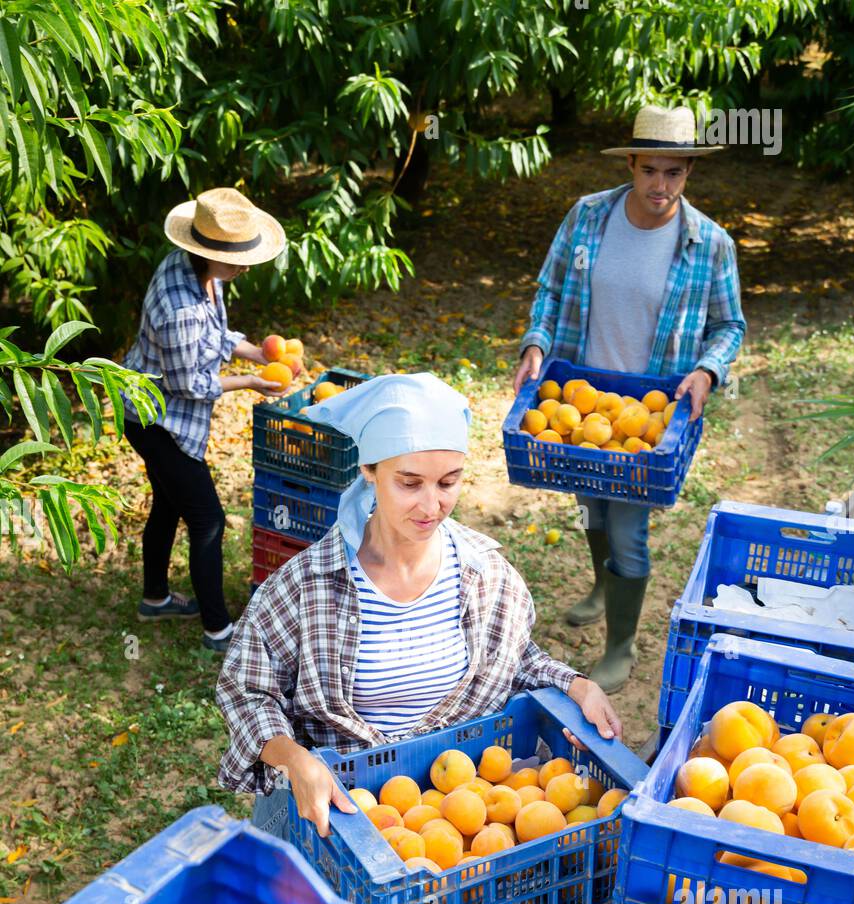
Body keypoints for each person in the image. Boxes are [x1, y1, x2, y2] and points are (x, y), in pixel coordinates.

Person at [215, 372, 621, 840]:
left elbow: (515, 658)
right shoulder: (307, 587)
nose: (432, 505)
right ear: (369, 472)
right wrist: (294, 758)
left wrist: (577, 685)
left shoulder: (484, 575)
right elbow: (247, 691)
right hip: (341, 814)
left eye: (448, 482)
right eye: (410, 483)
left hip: (451, 812)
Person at [513, 105, 746, 693]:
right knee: (592, 502)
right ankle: (601, 585)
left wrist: (707, 370)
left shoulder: (709, 244)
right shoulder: (588, 218)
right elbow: (551, 290)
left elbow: (729, 326)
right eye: (650, 171)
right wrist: (536, 345)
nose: (660, 186)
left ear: (689, 171)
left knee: (628, 529)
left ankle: (621, 644)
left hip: (651, 415)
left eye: (675, 173)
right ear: (632, 165)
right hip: (582, 401)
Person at [122, 187, 290, 653]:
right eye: (237, 258)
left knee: (169, 504)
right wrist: (252, 382)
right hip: (157, 420)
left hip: (163, 412)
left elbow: (214, 335)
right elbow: (188, 384)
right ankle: (219, 631)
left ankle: (154, 598)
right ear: (208, 252)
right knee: (208, 520)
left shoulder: (198, 275)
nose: (244, 265)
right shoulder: (179, 308)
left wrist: (255, 352)